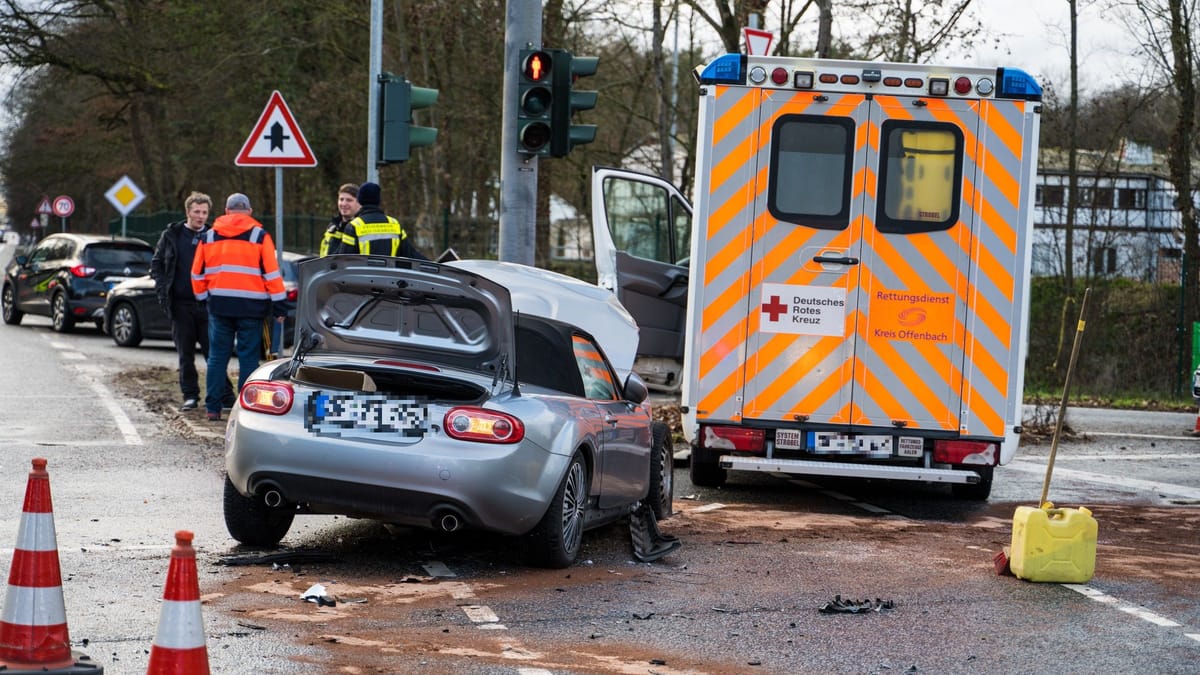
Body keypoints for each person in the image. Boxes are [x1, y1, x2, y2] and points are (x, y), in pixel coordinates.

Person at [191, 193, 287, 421]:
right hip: (251, 308)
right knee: (248, 358)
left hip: (219, 306)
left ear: (226, 211)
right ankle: (245, 408)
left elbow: (196, 273)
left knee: (217, 357)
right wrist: (279, 306)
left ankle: (213, 408)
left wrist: (203, 299)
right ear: (249, 211)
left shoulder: (209, 236)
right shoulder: (259, 236)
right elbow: (272, 274)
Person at [149, 192, 232, 411]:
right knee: (185, 354)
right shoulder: (172, 235)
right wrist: (162, 291)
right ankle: (190, 395)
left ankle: (225, 395)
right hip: (180, 304)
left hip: (208, 305)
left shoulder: (215, 236)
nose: (201, 216)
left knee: (214, 353)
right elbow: (157, 264)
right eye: (197, 212)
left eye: (204, 212)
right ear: (188, 212)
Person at [336, 182, 427, 259]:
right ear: (378, 200)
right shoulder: (394, 224)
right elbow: (411, 254)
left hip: (362, 275)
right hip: (390, 275)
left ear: (360, 200)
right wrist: (433, 266)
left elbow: (343, 260)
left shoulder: (354, 226)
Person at [318, 182, 359, 256]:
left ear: (359, 203)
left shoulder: (360, 228)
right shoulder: (333, 226)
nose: (344, 204)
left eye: (349, 200)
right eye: (341, 199)